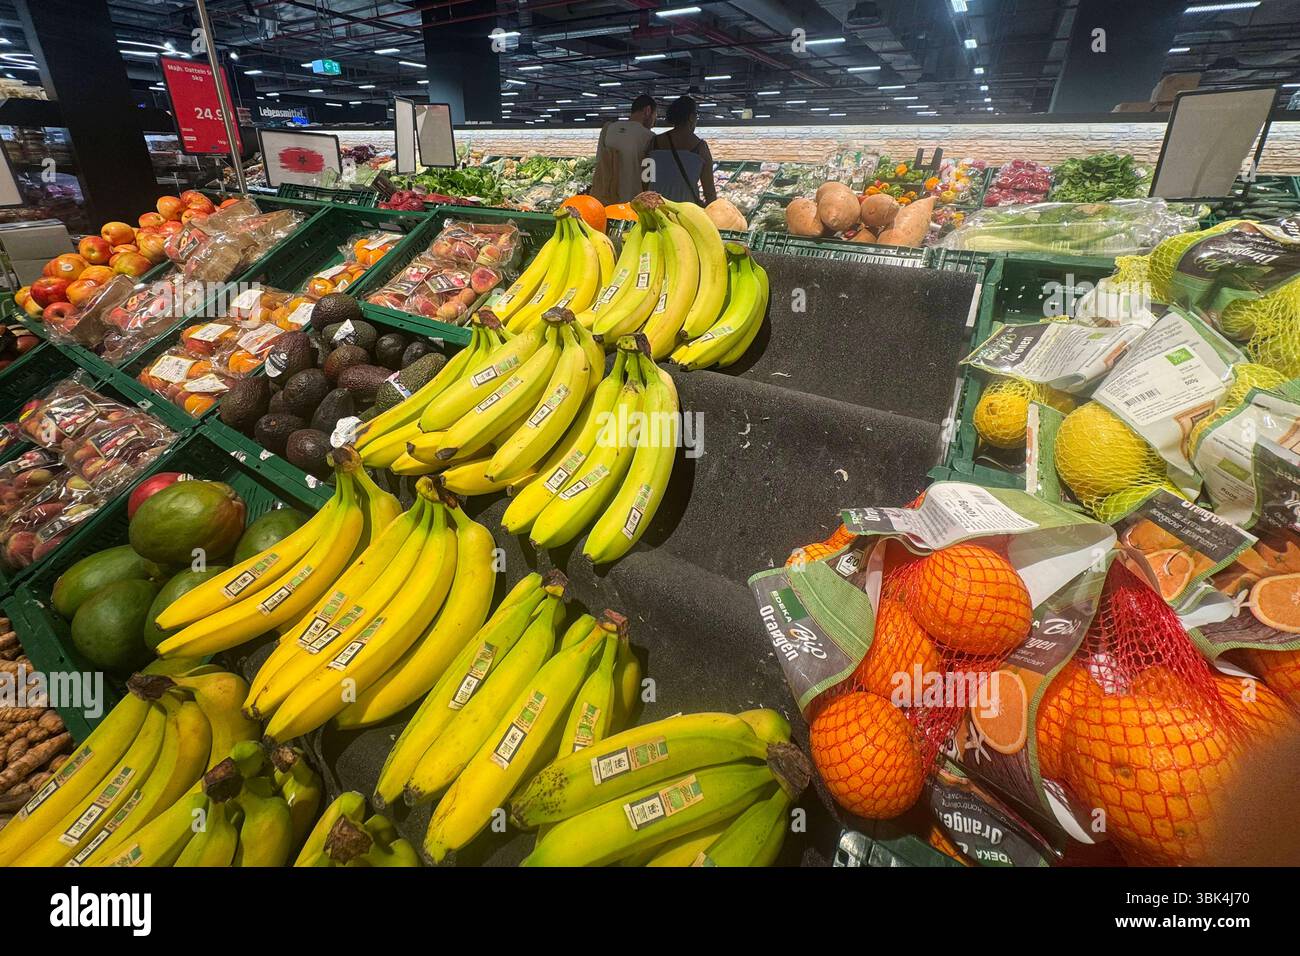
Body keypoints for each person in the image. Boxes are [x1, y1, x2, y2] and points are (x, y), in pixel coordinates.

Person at [645, 96, 715, 206]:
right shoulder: (700, 147)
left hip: (656, 208)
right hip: (686, 212)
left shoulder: (655, 143)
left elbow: (645, 179)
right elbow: (710, 192)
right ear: (691, 117)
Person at [591, 94, 657, 204]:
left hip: (606, 200)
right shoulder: (649, 137)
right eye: (655, 116)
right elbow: (649, 177)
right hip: (633, 203)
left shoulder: (608, 129)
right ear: (648, 111)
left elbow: (599, 162)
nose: (654, 122)